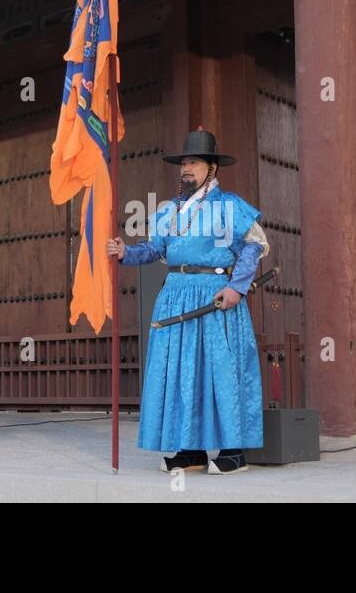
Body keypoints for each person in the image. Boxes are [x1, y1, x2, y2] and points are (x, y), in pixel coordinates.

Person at [107, 128, 268, 474]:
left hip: (214, 296)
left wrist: (237, 287)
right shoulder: (170, 212)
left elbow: (252, 248)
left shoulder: (229, 207)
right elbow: (154, 250)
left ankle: (233, 450)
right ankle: (191, 450)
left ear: (212, 168)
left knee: (220, 372)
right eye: (184, 163)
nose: (186, 168)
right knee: (183, 373)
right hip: (175, 296)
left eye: (193, 162)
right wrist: (125, 252)